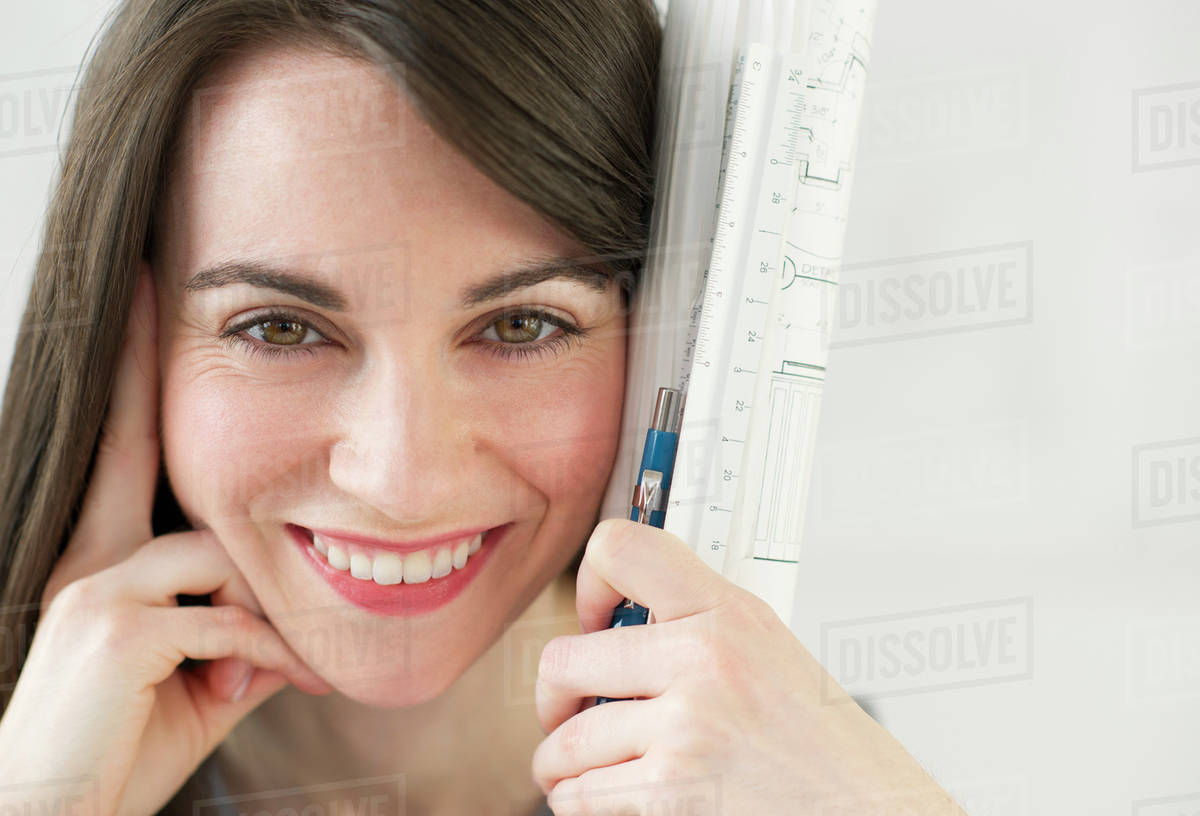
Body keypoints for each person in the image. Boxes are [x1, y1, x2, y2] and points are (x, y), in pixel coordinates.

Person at [0, 1, 968, 814]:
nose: (402, 478)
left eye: (521, 326)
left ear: (664, 335)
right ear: (127, 339)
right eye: (281, 330)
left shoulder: (789, 779)